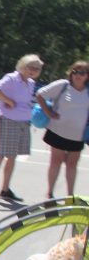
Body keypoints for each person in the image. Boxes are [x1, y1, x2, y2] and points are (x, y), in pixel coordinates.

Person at [0, 54, 43, 202]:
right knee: (0, 155)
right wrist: (8, 101)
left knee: (12, 156)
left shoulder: (30, 83)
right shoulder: (11, 78)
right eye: (30, 67)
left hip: (23, 121)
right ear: (23, 66)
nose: (33, 71)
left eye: (37, 69)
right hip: (8, 119)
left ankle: (5, 189)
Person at [36, 60, 89, 198]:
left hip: (77, 135)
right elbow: (40, 94)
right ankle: (50, 193)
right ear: (71, 73)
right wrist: (48, 112)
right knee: (56, 162)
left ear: (87, 76)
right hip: (57, 131)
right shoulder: (63, 85)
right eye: (75, 72)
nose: (78, 75)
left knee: (72, 165)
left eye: (82, 73)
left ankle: (70, 196)